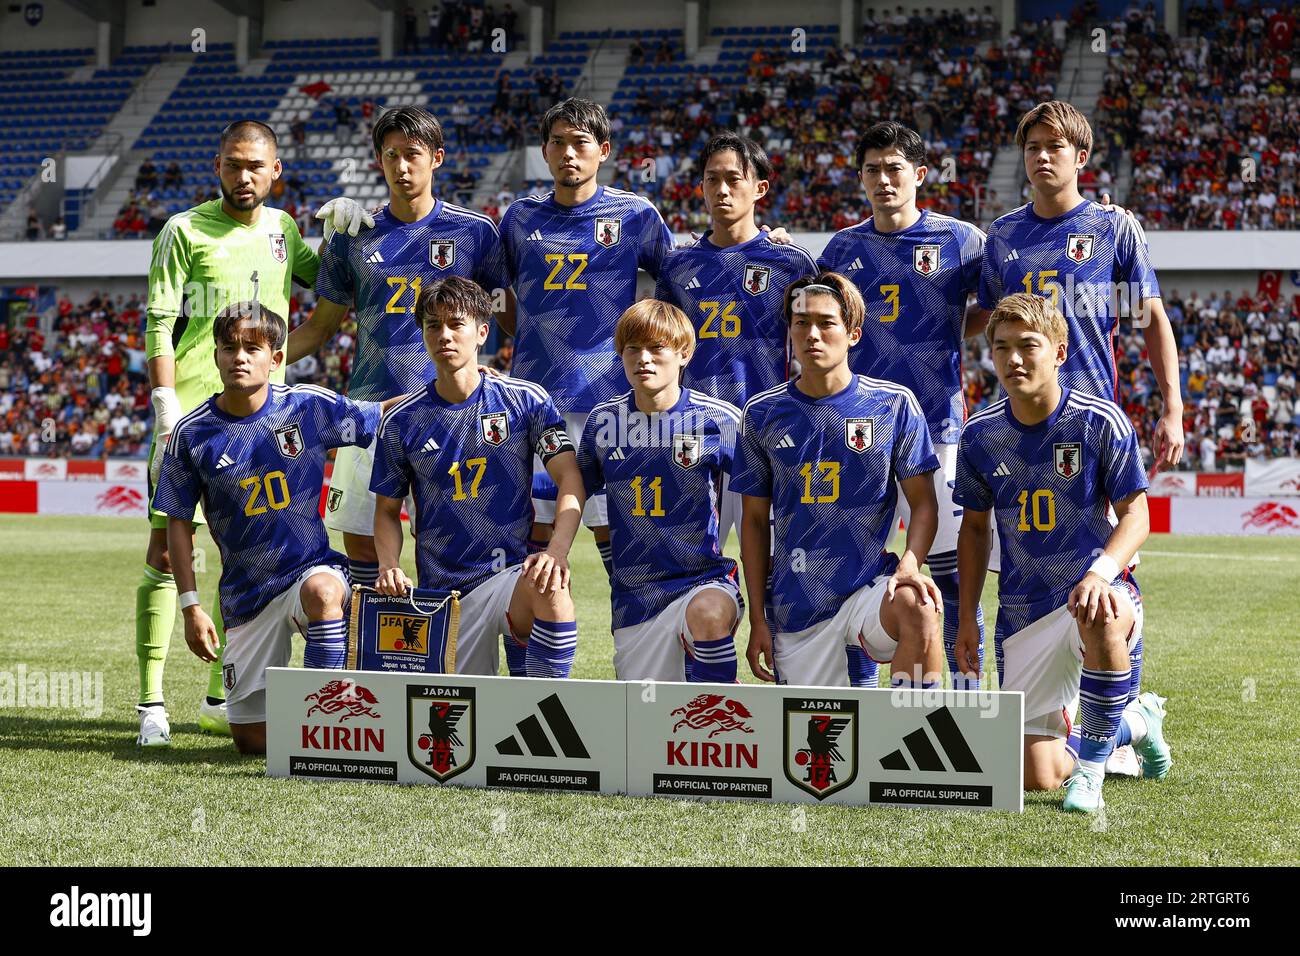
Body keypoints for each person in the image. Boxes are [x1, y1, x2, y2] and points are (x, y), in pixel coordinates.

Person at [979, 99, 1182, 774]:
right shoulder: (1002, 237)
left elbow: (1151, 320)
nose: (1042, 156)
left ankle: (1112, 719)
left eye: (1055, 147)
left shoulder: (1113, 228)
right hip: (1027, 430)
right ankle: (1116, 722)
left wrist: (1173, 406)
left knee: (1107, 577)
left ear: (1080, 157)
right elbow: (987, 323)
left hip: (1094, 430)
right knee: (1031, 564)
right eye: (1032, 146)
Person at [138, 120, 319, 748]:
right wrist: (164, 402)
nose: (244, 177)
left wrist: (357, 225)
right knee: (166, 555)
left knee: (248, 552)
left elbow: (335, 279)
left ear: (276, 173)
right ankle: (151, 704)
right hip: (190, 409)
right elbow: (159, 320)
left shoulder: (284, 230)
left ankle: (222, 695)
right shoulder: (182, 230)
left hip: (266, 418)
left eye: (256, 167)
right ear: (218, 166)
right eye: (234, 165)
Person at [953, 292, 1171, 812]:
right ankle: (1136, 723)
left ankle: (1093, 772)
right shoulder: (980, 436)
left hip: (1091, 592)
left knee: (1104, 609)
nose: (1013, 360)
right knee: (1037, 776)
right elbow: (975, 531)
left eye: (1028, 345)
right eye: (1001, 347)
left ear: (1059, 351)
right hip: (1023, 612)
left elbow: (1137, 515)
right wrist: (966, 618)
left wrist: (1101, 573)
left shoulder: (1100, 421)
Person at [153, 302, 400, 756]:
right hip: (246, 597)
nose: (240, 358)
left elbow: (380, 415)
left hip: (309, 571)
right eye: (229, 348)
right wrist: (191, 607)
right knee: (251, 741)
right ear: (216, 356)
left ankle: (327, 731)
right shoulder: (191, 435)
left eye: (252, 348)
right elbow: (178, 525)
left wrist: (453, 384)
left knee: (324, 593)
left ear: (276, 358)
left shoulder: (305, 408)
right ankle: (304, 731)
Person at [287, 106, 512, 595]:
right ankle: (371, 658)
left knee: (455, 541)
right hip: (372, 410)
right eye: (391, 155)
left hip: (452, 416)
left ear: (437, 158)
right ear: (378, 160)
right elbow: (320, 327)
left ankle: (446, 648)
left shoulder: (475, 233)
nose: (402, 166)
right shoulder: (354, 235)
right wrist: (258, 360)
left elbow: (509, 319)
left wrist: (500, 372)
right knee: (363, 545)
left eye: (413, 154)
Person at [817, 120, 992, 690]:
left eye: (895, 168)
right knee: (856, 566)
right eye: (872, 169)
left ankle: (964, 693)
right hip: (858, 430)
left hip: (937, 426)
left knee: (949, 571)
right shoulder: (843, 246)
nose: (883, 179)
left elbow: (989, 310)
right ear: (861, 177)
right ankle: (863, 691)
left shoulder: (961, 240)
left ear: (918, 175)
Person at [731, 272, 944, 688]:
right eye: (800, 323)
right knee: (816, 748)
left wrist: (910, 563)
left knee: (919, 604)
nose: (812, 334)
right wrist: (757, 618)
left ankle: (913, 733)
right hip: (798, 604)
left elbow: (923, 504)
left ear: (853, 333)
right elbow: (753, 525)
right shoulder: (762, 413)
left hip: (869, 588)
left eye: (826, 323)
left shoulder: (893, 405)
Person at [371, 277, 585, 679]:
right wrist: (388, 565)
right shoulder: (402, 421)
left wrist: (556, 549)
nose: (444, 335)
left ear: (482, 332)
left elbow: (570, 477)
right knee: (458, 733)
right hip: (443, 593)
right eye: (433, 325)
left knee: (550, 586)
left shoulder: (526, 400)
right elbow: (386, 511)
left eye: (457, 324)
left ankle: (545, 711)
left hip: (508, 576)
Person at [497, 98, 673, 577]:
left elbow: (679, 284)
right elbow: (491, 292)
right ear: (545, 150)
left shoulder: (636, 215)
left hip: (610, 401)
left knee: (614, 531)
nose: (569, 153)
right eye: (558, 143)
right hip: (535, 401)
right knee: (531, 530)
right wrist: (529, 330)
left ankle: (632, 636)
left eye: (581, 143)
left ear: (604, 151)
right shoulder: (519, 218)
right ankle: (531, 647)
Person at [577, 300, 742, 682]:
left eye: (656, 349)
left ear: (684, 354)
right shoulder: (603, 422)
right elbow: (573, 492)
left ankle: (719, 710)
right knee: (644, 719)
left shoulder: (720, 420)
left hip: (703, 580)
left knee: (709, 615)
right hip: (634, 599)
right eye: (632, 349)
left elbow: (761, 503)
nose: (643, 360)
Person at [655, 132, 818, 412]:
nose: (722, 189)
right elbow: (662, 348)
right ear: (701, 186)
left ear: (760, 188)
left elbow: (819, 345)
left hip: (770, 418)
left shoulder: (792, 264)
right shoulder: (676, 266)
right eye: (712, 179)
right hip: (695, 423)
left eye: (733, 179)